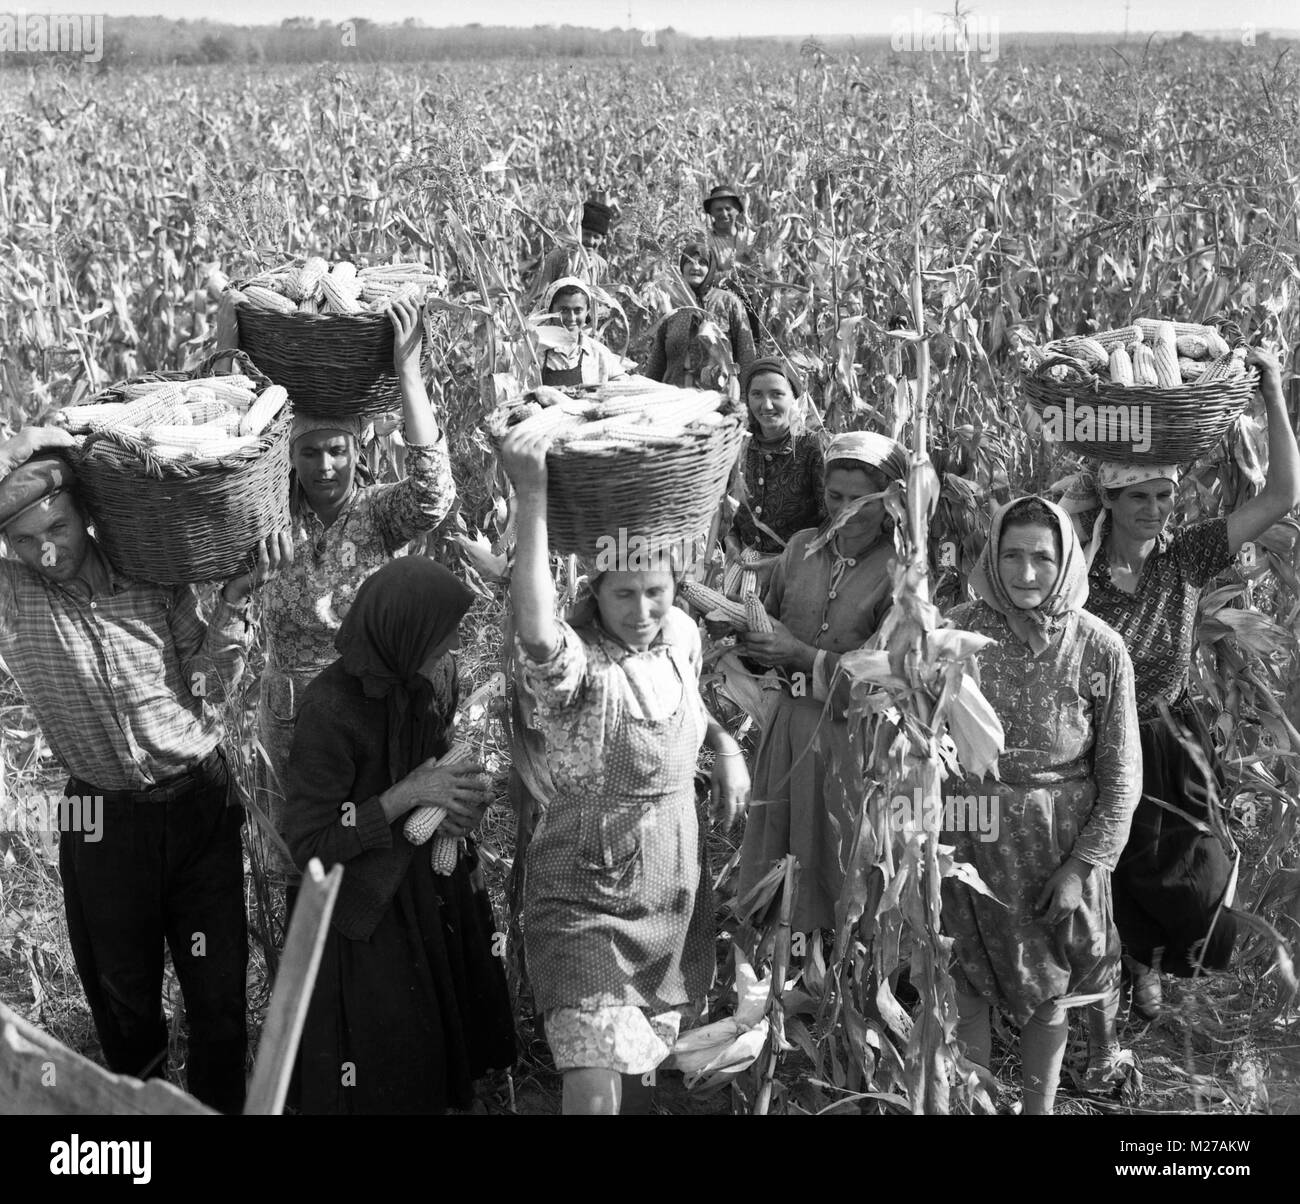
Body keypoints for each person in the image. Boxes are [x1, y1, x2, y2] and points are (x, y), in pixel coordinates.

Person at [0, 425, 290, 1113]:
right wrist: (37, 439)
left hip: (197, 798)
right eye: (25, 541)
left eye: (59, 528)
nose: (48, 550)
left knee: (217, 993)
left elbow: (207, 683)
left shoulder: (153, 572)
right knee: (123, 999)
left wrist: (236, 600)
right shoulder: (17, 594)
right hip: (94, 811)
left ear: (86, 515)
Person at [502, 423, 750, 1116]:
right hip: (585, 890)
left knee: (641, 1069)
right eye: (623, 596)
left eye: (656, 593)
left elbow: (694, 708)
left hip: (668, 886)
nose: (641, 612)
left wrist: (724, 748)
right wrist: (532, 498)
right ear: (595, 595)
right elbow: (536, 633)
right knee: (592, 1077)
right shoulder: (580, 667)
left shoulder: (680, 642)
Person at [1067, 347, 1300, 1073]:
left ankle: (1176, 957)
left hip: (1170, 734)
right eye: (1139, 498)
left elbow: (1279, 497)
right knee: (1123, 865)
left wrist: (1271, 393)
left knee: (1193, 871)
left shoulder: (1185, 556)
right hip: (1102, 739)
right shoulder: (1078, 568)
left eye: (1165, 496)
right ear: (1108, 501)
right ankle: (1139, 969)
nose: (1156, 510)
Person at [283, 556, 515, 1114]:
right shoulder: (328, 708)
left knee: (441, 1046)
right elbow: (310, 841)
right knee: (390, 1064)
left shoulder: (436, 673)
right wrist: (405, 796)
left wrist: (463, 808)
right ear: (402, 634)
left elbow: (446, 765)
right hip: (363, 906)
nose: (455, 644)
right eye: (443, 634)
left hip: (432, 883)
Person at [943, 496, 1141, 1115]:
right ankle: (976, 1103)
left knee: (1049, 983)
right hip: (970, 831)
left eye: (1042, 559)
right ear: (991, 557)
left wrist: (1083, 868)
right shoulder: (958, 634)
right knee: (964, 974)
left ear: (1067, 562)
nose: (1026, 575)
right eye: (1012, 556)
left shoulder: (1100, 648)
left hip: (1056, 846)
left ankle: (1038, 1107)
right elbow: (918, 736)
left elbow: (1121, 775)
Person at [257, 298, 456, 886]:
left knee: (372, 855)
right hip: (291, 713)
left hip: (366, 710)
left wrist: (408, 374)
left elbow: (432, 491)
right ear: (289, 456)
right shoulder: (268, 520)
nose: (324, 466)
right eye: (310, 451)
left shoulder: (377, 514)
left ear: (357, 451)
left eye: (337, 450)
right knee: (304, 863)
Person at [735, 431, 908, 934]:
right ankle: (783, 954)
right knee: (784, 847)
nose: (847, 511)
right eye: (836, 497)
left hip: (852, 738)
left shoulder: (901, 575)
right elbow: (768, 624)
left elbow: (886, 675)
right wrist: (747, 638)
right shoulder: (798, 549)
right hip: (787, 726)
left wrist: (800, 653)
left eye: (862, 500)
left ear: (892, 500)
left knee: (842, 847)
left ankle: (849, 961)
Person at [730, 357, 825, 561]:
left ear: (794, 397)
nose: (766, 405)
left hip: (798, 569)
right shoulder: (739, 445)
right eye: (756, 394)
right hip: (744, 564)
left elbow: (830, 521)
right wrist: (731, 542)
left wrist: (784, 563)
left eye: (777, 394)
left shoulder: (812, 447)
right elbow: (728, 512)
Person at [645, 244, 755, 390]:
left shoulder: (728, 302)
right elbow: (657, 361)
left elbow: (745, 354)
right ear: (682, 266)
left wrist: (744, 398)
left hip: (718, 400)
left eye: (702, 262)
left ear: (710, 268)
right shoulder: (671, 305)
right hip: (674, 399)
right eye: (689, 261)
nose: (695, 267)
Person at [524, 197, 613, 312]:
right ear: (577, 231)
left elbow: (605, 301)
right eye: (586, 234)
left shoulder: (601, 265)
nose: (590, 241)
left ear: (603, 239)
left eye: (596, 237)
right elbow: (538, 299)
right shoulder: (555, 258)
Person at [535, 276, 627, 388]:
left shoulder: (598, 353)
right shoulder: (534, 353)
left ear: (587, 311)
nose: (571, 318)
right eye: (564, 310)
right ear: (550, 310)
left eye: (578, 310)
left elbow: (622, 384)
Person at [703, 183, 762, 344]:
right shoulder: (705, 241)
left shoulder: (751, 237)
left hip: (751, 303)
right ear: (711, 213)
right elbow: (705, 277)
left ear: (737, 210)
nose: (724, 213)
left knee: (753, 349)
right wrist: (734, 273)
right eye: (718, 209)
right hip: (720, 305)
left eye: (728, 208)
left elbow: (764, 270)